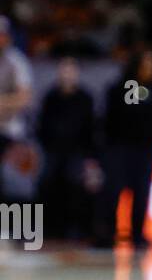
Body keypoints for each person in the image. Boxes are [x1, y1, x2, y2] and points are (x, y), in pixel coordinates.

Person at [94, 48, 152, 250]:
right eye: (146, 62)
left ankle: (138, 234)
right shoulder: (123, 87)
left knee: (142, 191)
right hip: (120, 147)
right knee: (114, 190)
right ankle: (108, 232)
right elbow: (120, 115)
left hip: (145, 149)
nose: (149, 67)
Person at [35, 58, 99, 241]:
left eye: (70, 71)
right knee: (46, 181)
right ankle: (48, 229)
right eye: (64, 71)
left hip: (76, 151)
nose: (67, 75)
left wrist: (90, 155)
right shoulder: (51, 96)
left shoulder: (85, 98)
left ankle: (75, 229)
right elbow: (42, 126)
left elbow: (89, 128)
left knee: (75, 183)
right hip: (53, 150)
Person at [0, 15, 33, 165]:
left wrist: (3, 104)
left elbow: (25, 98)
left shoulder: (17, 61)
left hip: (11, 130)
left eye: (2, 35)